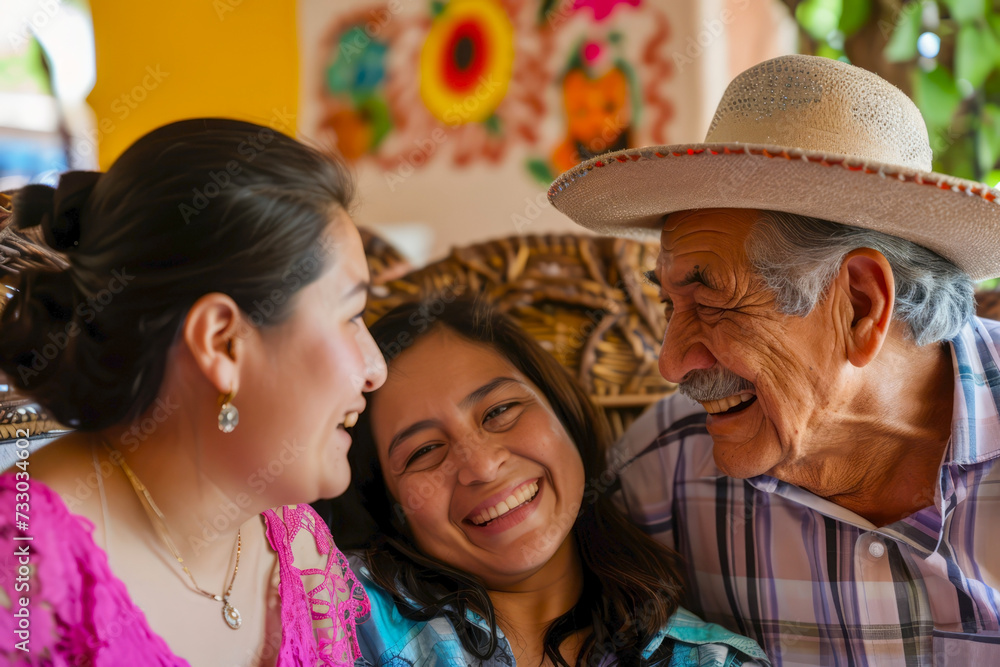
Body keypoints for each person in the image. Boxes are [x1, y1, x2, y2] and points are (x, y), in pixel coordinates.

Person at [546, 53, 1000, 665]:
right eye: (669, 305)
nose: (671, 362)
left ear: (861, 306)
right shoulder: (656, 485)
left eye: (712, 303)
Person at [0, 118, 387, 665]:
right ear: (222, 343)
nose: (376, 369)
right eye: (350, 316)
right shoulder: (27, 574)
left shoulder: (299, 551)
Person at [346, 297, 770, 666]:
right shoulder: (339, 617)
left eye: (499, 411)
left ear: (562, 411)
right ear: (388, 504)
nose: (482, 466)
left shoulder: (707, 660)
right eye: (423, 451)